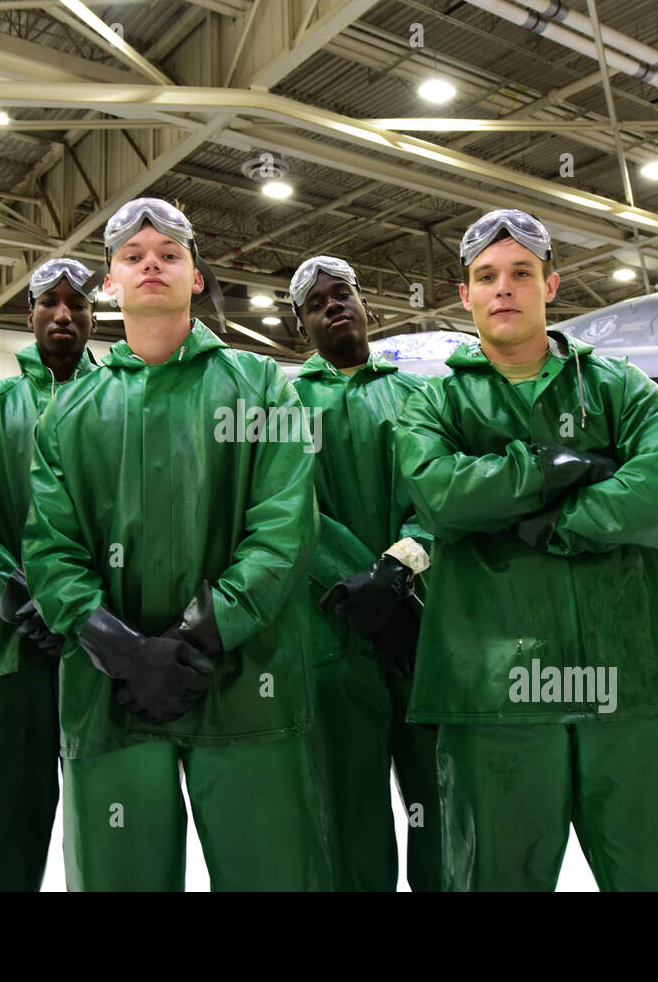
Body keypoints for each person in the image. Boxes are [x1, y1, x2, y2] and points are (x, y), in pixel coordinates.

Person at [394, 208, 658, 892]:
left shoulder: (620, 388)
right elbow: (444, 496)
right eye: (486, 276)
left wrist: (545, 522)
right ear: (464, 294)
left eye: (521, 273)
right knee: (493, 876)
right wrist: (554, 469)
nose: (504, 288)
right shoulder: (433, 404)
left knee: (657, 875)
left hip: (633, 687)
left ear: (550, 285)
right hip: (493, 693)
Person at [22, 197, 330, 891]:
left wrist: (199, 639)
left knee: (271, 873)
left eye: (169, 255)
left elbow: (284, 527)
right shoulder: (67, 412)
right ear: (111, 284)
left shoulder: (259, 387)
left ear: (196, 278)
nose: (150, 265)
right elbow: (50, 547)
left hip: (248, 684)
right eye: (133, 257)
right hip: (113, 695)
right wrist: (121, 648)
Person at [289, 255, 442, 892]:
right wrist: (358, 586)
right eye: (317, 301)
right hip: (332, 634)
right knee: (348, 812)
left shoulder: (419, 395)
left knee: (438, 804)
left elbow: (440, 497)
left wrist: (397, 572)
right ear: (303, 326)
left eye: (343, 293)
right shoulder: (283, 402)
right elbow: (287, 508)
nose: (334, 305)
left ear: (365, 303)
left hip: (421, 633)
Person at [0, 257, 99, 891]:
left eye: (78, 303)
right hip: (12, 649)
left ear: (96, 316)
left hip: (103, 646)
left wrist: (84, 608)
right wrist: (16, 598)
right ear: (30, 313)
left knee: (106, 822)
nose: (63, 313)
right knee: (3, 818)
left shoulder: (121, 401)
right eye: (49, 302)